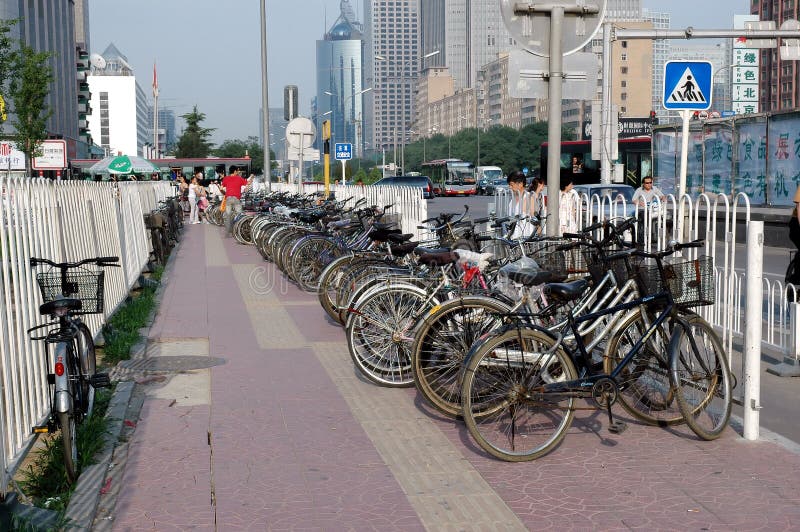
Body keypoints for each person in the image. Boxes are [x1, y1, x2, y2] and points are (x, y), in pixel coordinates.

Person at [221, 167, 253, 236]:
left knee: (228, 215)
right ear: (235, 171)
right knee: (239, 214)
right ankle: (238, 229)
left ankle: (228, 231)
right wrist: (251, 178)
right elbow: (247, 183)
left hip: (228, 198)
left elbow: (221, 188)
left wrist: (225, 193)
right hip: (236, 198)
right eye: (237, 171)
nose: (238, 172)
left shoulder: (226, 178)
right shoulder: (239, 178)